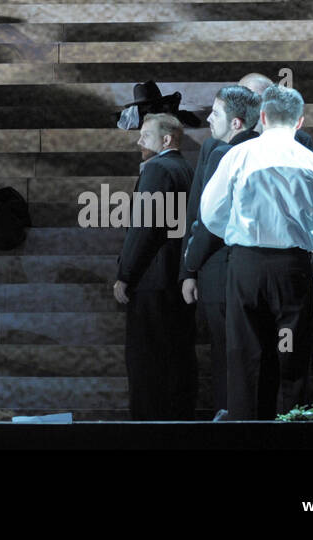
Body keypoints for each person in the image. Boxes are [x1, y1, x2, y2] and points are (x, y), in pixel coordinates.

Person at [200, 85, 313, 420]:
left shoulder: (237, 156)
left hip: (246, 269)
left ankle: (247, 435)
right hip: (291, 271)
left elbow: (210, 214)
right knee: (290, 357)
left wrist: (237, 235)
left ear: (262, 118)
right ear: (300, 123)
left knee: (246, 358)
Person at [180, 84, 261, 418]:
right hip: (256, 273)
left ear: (237, 123)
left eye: (215, 113)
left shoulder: (221, 153)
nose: (208, 118)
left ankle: (229, 419)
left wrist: (189, 267)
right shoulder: (266, 151)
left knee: (227, 357)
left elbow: (209, 219)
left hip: (220, 273)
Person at [113, 112, 196, 420]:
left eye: (145, 135)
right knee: (176, 360)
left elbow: (144, 227)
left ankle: (147, 430)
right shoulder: (186, 169)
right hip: (177, 279)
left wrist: (125, 274)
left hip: (152, 281)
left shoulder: (158, 168)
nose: (138, 141)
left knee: (147, 364)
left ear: (165, 140)